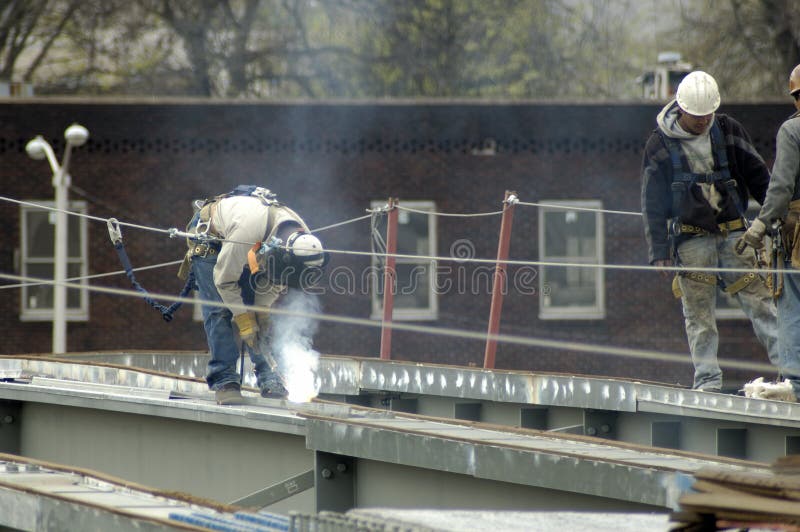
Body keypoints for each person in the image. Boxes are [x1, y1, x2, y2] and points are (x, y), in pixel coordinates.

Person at [641, 71, 780, 392]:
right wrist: (659, 252)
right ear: (681, 108)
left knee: (761, 304)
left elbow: (759, 176)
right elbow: (652, 202)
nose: (703, 122)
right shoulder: (659, 144)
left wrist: (775, 216)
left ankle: (793, 371)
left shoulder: (728, 130)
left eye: (708, 115)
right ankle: (707, 381)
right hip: (691, 240)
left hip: (735, 236)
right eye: (697, 116)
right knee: (699, 316)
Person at [182, 185, 327, 404]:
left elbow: (276, 280)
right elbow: (225, 281)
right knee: (220, 310)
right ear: (283, 255)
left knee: (255, 313)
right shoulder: (249, 232)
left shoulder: (301, 240)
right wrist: (243, 319)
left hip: (252, 248)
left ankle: (270, 376)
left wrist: (261, 314)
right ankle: (225, 380)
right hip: (211, 239)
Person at [734, 64, 800, 402]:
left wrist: (758, 228)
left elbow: (781, 189)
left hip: (797, 238)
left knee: (791, 306)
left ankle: (796, 384)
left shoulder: (793, 131)